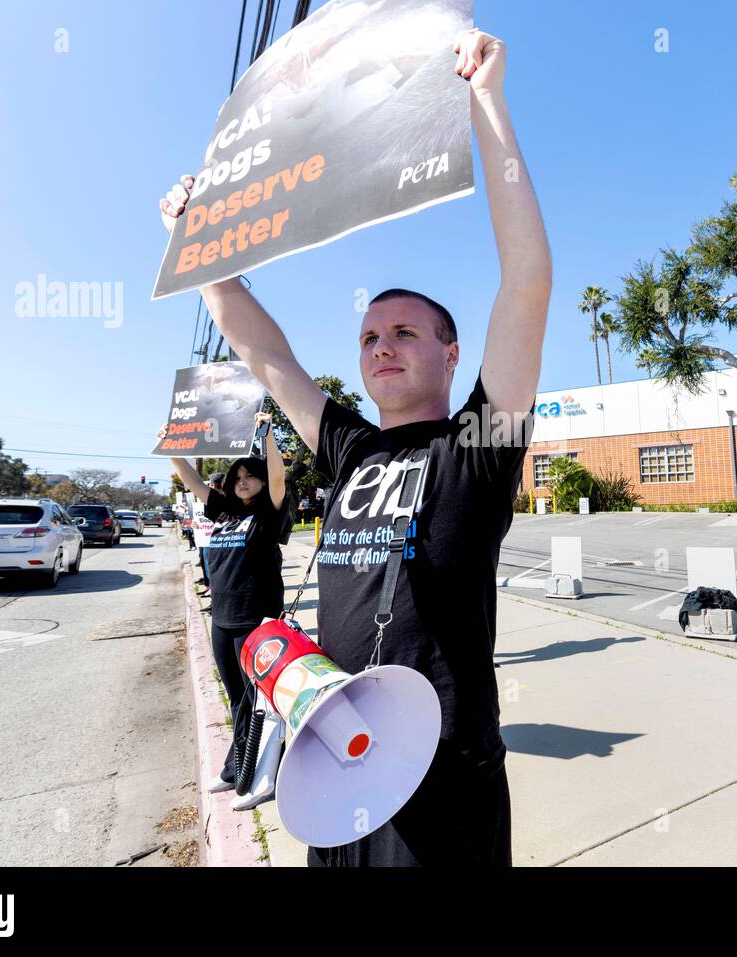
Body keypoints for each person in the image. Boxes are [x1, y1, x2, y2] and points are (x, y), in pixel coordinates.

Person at [158, 27, 549, 866]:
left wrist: (486, 102)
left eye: (406, 330)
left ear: (451, 353)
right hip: (333, 763)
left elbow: (526, 282)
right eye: (371, 333)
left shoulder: (475, 447)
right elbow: (268, 356)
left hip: (444, 781)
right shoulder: (349, 448)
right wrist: (209, 257)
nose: (381, 344)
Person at [161, 413, 291, 803]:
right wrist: (171, 447)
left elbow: (279, 476)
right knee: (238, 697)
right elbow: (193, 482)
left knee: (260, 702)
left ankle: (266, 777)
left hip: (257, 619)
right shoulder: (225, 512)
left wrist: (266, 435)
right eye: (237, 478)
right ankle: (238, 767)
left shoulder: (268, 513)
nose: (243, 481)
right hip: (223, 618)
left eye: (250, 475)